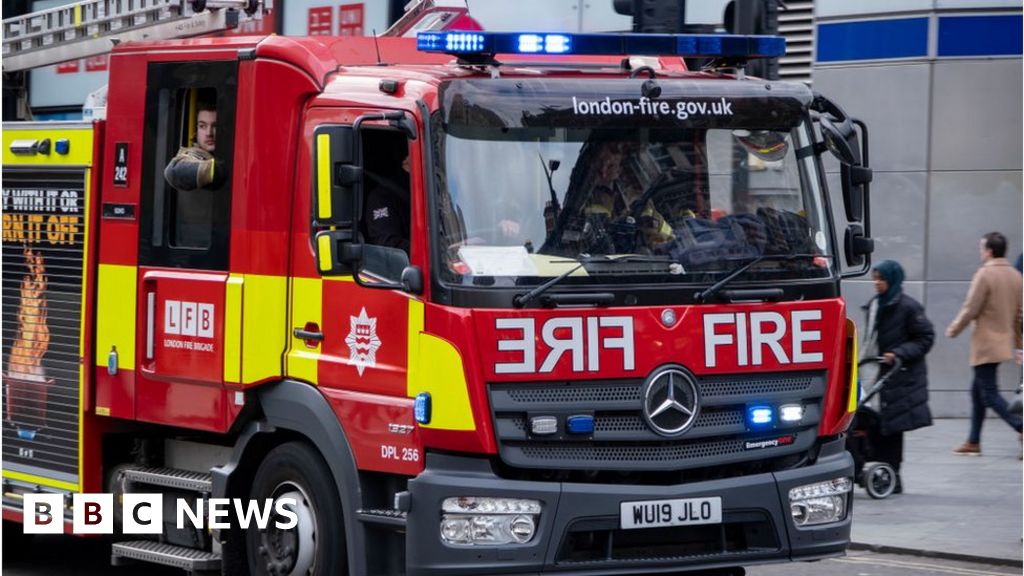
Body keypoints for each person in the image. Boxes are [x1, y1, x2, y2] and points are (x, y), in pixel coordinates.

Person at [947, 232, 1024, 455]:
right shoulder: (1015, 276)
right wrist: (1019, 345)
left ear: (989, 251)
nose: (980, 251)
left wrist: (954, 329)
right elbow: (1020, 315)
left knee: (989, 394)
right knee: (977, 391)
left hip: (985, 344)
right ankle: (973, 441)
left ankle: (1020, 426)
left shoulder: (985, 274)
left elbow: (971, 308)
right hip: (1003, 343)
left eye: (982, 247)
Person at [861, 260, 934, 492]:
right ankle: (882, 472)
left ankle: (893, 474)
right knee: (874, 423)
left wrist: (899, 353)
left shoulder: (908, 307)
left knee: (891, 428)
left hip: (900, 376)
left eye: (881, 279)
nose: (877, 283)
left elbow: (926, 338)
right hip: (876, 373)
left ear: (892, 280)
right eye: (875, 278)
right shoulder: (875, 305)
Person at [164, 98, 225, 191]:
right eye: (202, 126)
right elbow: (173, 171)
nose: (209, 133)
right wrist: (219, 169)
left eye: (215, 126)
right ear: (197, 129)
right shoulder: (194, 154)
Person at [364, 153, 411, 253]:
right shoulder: (382, 196)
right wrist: (431, 250)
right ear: (405, 162)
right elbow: (388, 245)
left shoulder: (433, 192)